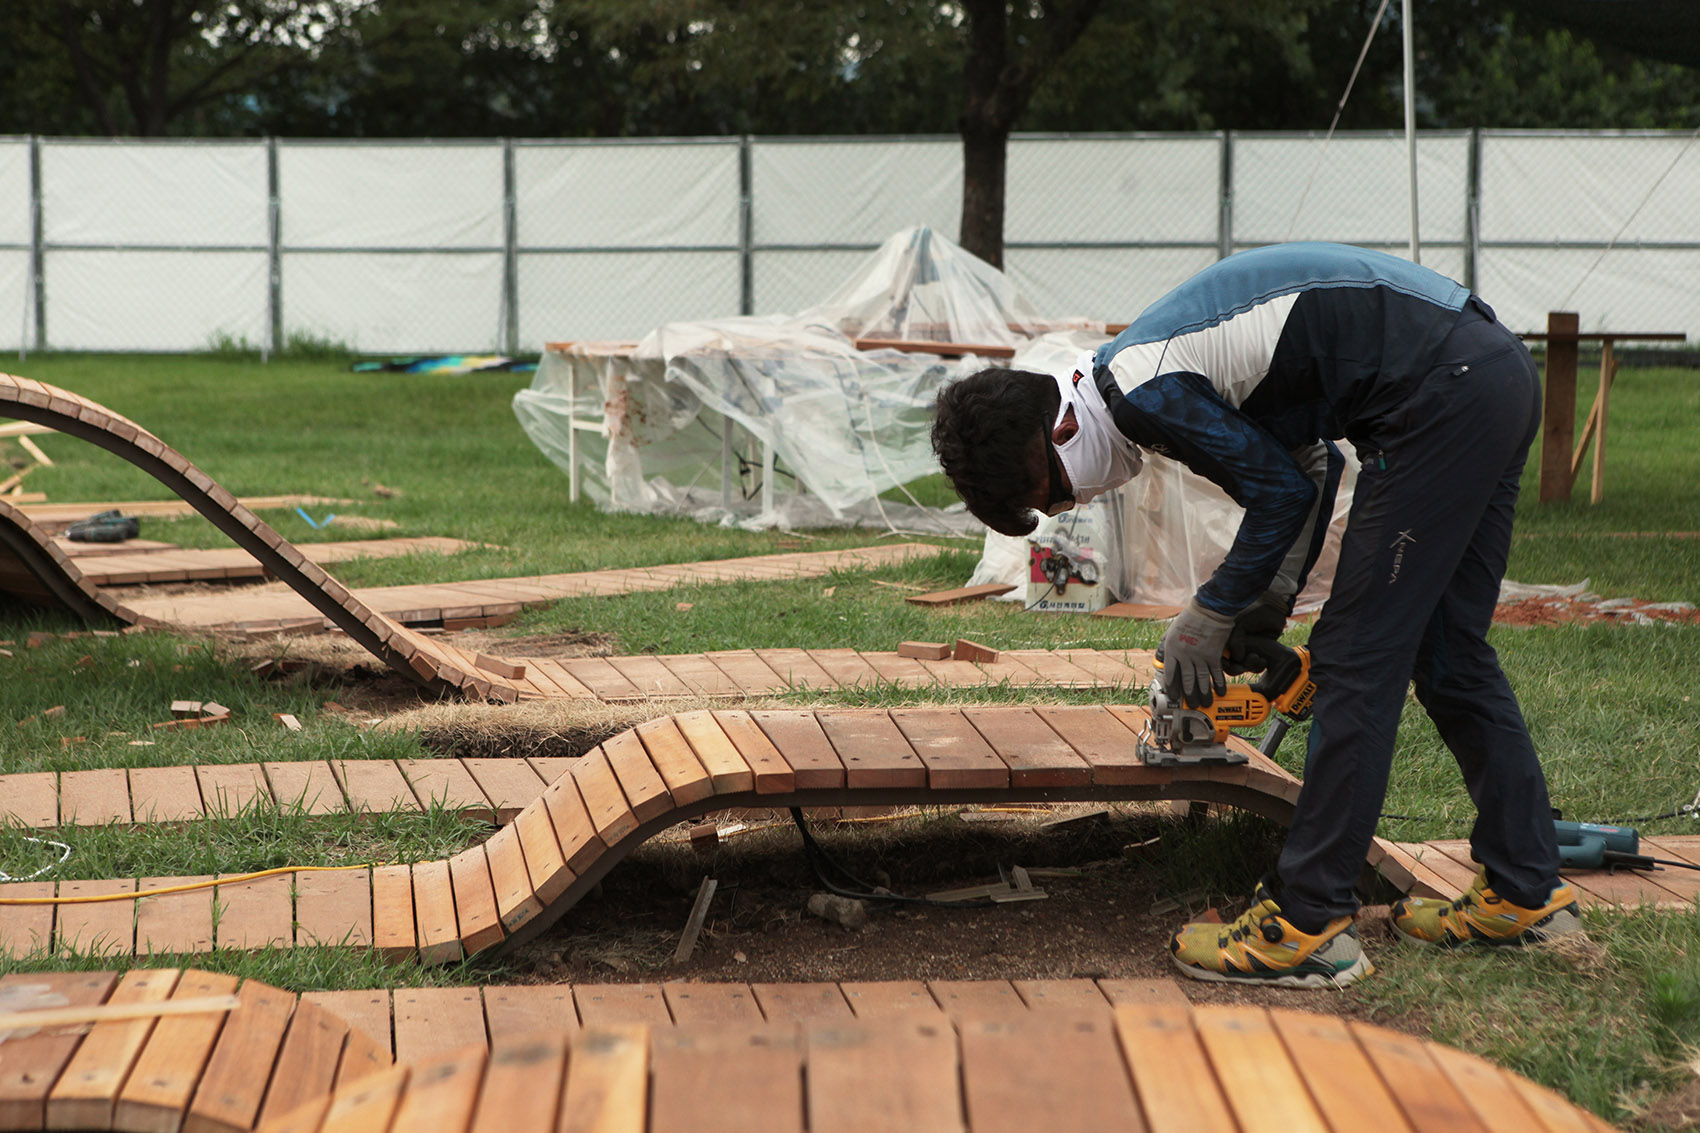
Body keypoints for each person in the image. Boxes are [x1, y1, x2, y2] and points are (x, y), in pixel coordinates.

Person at [931, 241, 1581, 989]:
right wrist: (1264, 602)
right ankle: (1525, 889)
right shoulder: (1139, 376)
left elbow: (1282, 493)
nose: (1071, 506)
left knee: (1355, 659)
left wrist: (1208, 611)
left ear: (1062, 432)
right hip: (1487, 372)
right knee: (1448, 651)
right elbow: (1312, 465)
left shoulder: (1142, 386)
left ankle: (1308, 922)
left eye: (1053, 494)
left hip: (1438, 394)